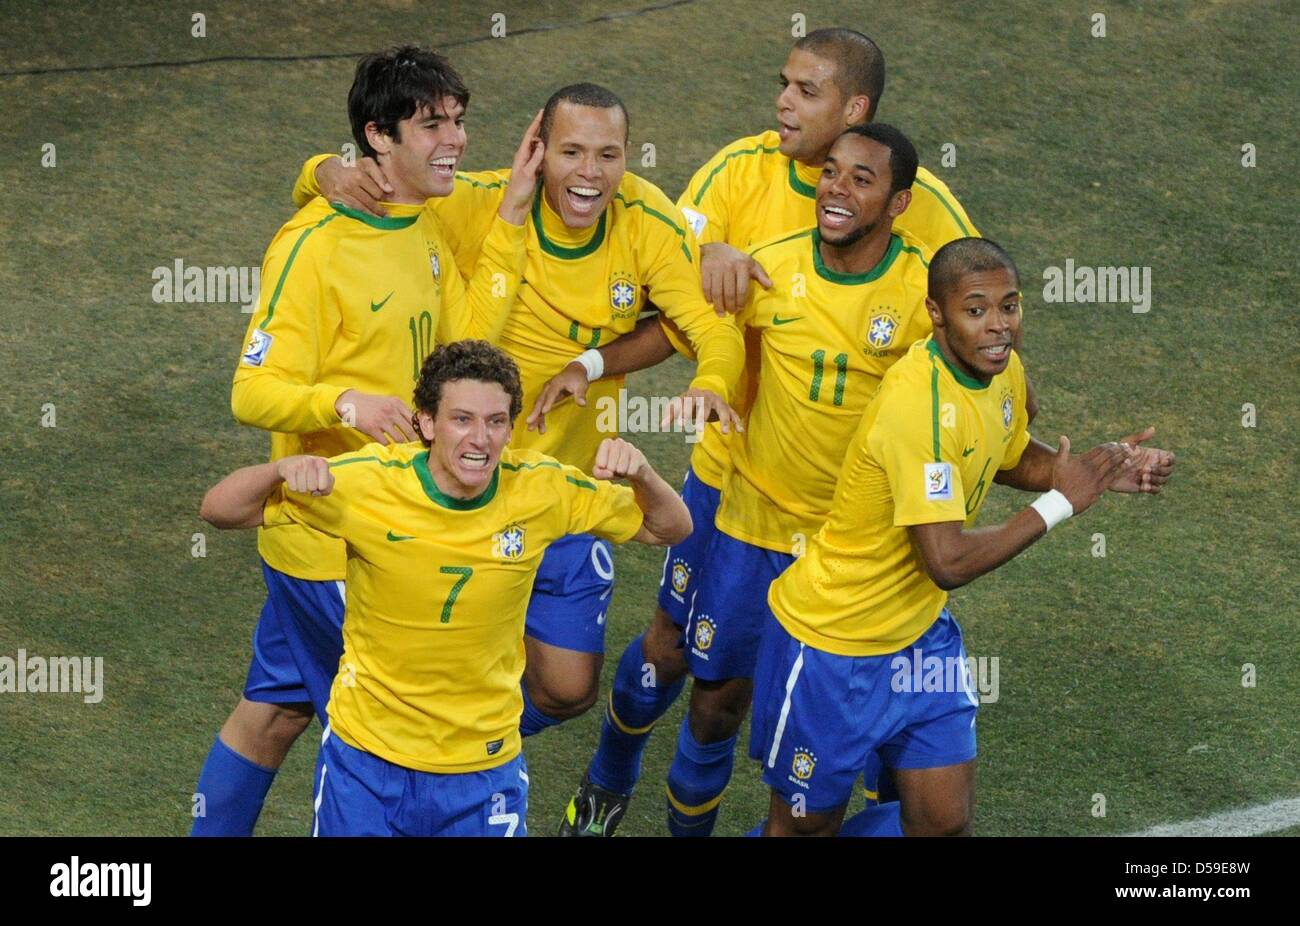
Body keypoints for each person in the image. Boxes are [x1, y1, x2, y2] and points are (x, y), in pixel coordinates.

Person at [545, 29, 992, 836]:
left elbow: (977, 323)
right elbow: (659, 288)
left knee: (833, 728)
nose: (783, 102)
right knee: (684, 661)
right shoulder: (736, 174)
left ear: (855, 109)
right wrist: (701, 254)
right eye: (784, 84)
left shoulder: (927, 211)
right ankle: (611, 773)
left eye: (806, 91)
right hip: (737, 480)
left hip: (862, 521)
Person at [293, 83, 745, 739]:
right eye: (571, 152)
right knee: (426, 676)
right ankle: (427, 750)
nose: (590, 173)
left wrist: (710, 380)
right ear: (538, 150)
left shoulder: (648, 220)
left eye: (609, 155)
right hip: (461, 496)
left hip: (561, 495)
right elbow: (354, 190)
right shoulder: (481, 203)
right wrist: (322, 170)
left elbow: (710, 326)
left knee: (567, 690)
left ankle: (469, 742)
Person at [190, 45, 543, 836]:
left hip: (350, 533)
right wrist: (344, 402)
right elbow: (251, 390)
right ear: (379, 137)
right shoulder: (313, 246)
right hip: (342, 547)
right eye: (432, 125)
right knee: (389, 741)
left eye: (458, 120)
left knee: (271, 715)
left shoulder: (420, 220)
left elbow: (466, 342)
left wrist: (514, 217)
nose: (454, 140)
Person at [749, 238, 1175, 836]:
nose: (999, 325)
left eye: (1010, 306)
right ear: (937, 314)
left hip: (922, 637)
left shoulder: (1001, 370)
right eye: (976, 310)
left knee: (944, 825)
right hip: (833, 647)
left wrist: (1084, 473)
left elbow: (1006, 452)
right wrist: (1061, 502)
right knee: (803, 829)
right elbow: (946, 561)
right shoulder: (915, 408)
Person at [199, 340, 692, 836]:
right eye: (462, 420)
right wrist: (278, 471)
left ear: (511, 428)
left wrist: (643, 475)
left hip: (483, 773)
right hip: (366, 767)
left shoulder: (543, 489)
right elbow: (219, 509)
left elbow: (670, 528)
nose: (480, 439)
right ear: (428, 423)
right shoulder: (369, 484)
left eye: (496, 422)